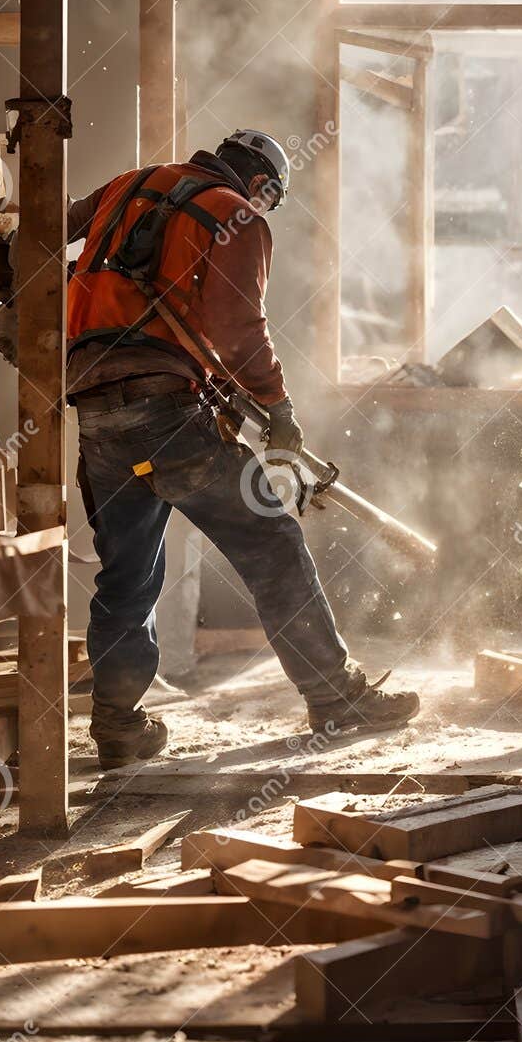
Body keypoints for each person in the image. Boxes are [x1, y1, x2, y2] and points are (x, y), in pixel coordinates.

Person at [65, 128, 419, 769]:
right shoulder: (236, 215)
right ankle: (335, 698)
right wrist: (278, 408)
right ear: (260, 184)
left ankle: (116, 727)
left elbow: (44, 234)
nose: (265, 208)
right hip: (168, 419)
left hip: (97, 415)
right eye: (270, 198)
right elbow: (238, 327)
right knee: (271, 544)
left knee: (127, 576)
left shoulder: (129, 185)